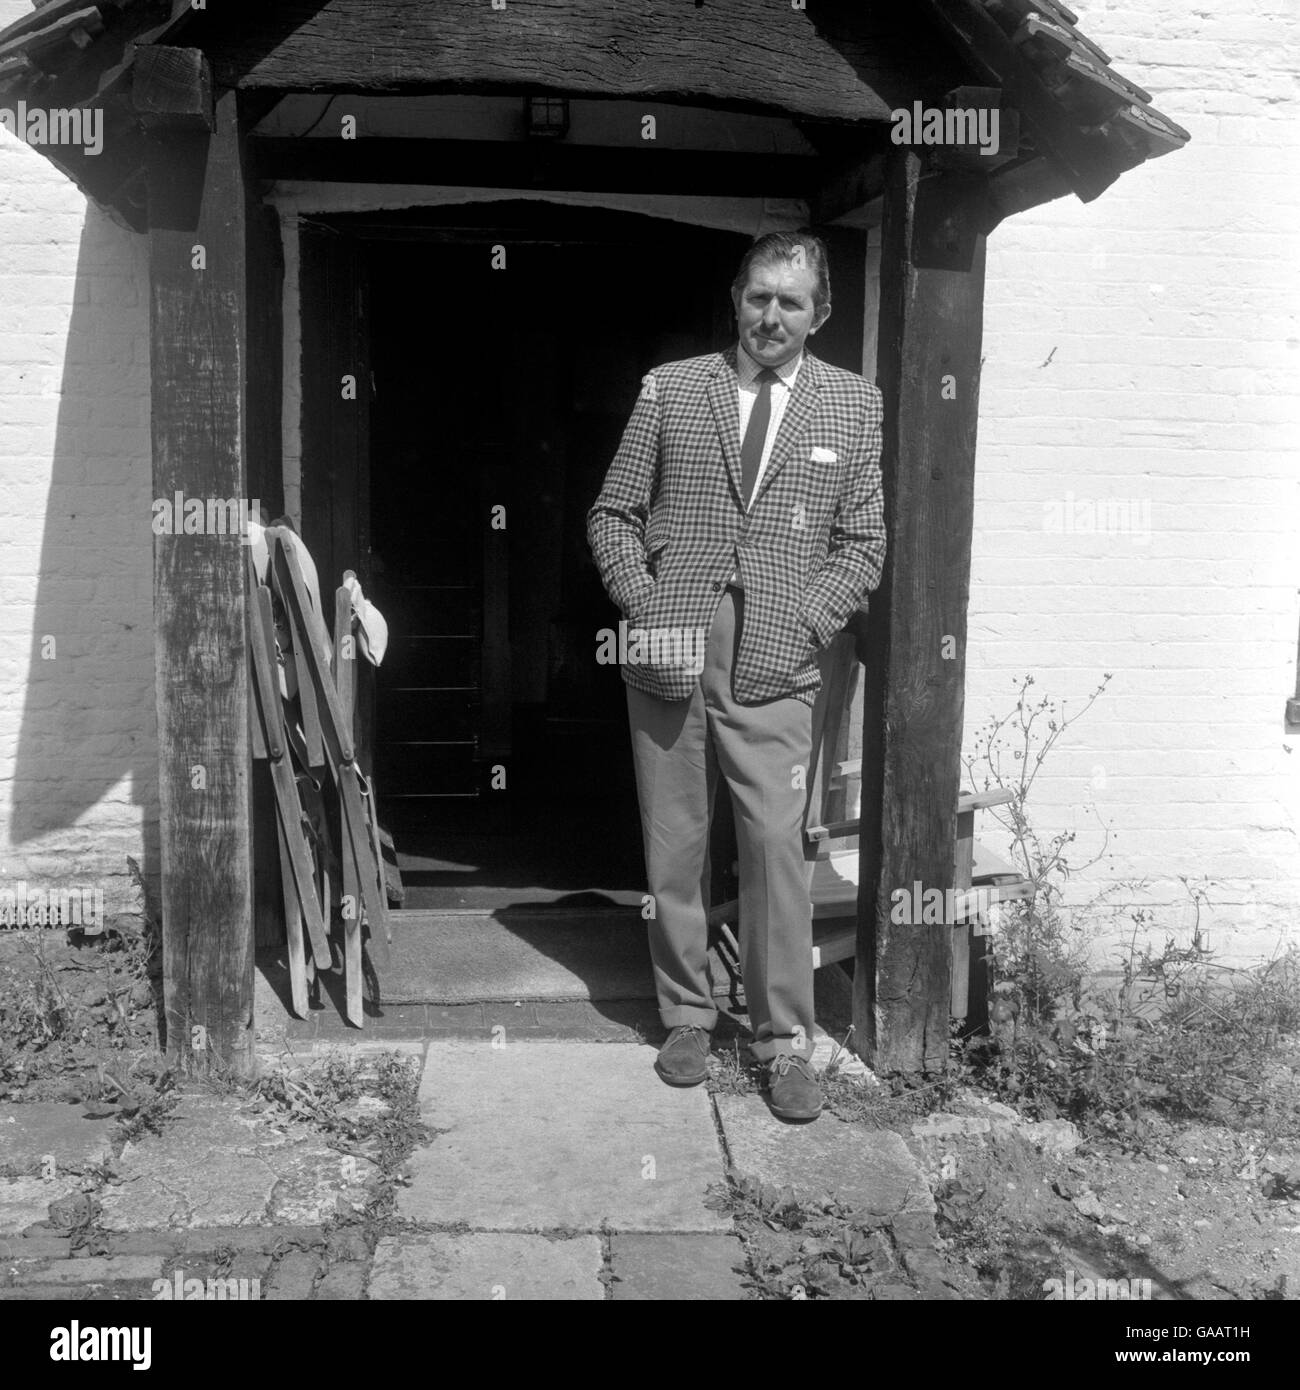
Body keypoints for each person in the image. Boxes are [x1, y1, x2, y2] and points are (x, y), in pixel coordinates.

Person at [587, 230, 885, 1121]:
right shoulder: (674, 388)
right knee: (675, 842)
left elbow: (861, 546)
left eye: (790, 302)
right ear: (736, 297)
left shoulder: (852, 405)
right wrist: (646, 606)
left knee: (772, 847)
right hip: (669, 650)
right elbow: (612, 513)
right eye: (759, 296)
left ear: (819, 314)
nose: (771, 316)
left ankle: (781, 1037)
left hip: (779, 658)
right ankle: (685, 1015)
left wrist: (803, 625)